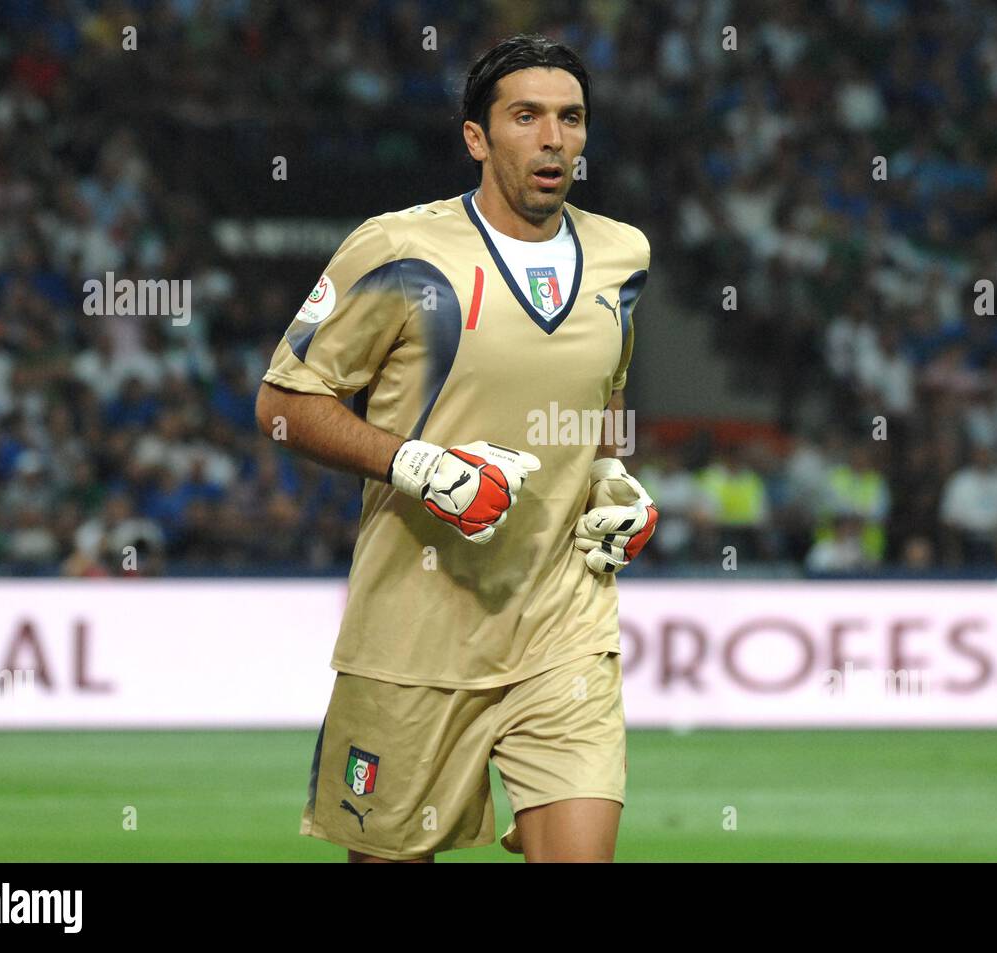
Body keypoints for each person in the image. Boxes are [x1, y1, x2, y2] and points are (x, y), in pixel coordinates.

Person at [254, 34, 655, 863]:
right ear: (477, 137)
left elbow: (605, 390)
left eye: (571, 119)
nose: (553, 139)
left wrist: (613, 475)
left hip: (562, 628)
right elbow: (285, 402)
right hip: (412, 634)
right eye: (526, 117)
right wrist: (419, 465)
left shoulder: (623, 255)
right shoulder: (399, 250)